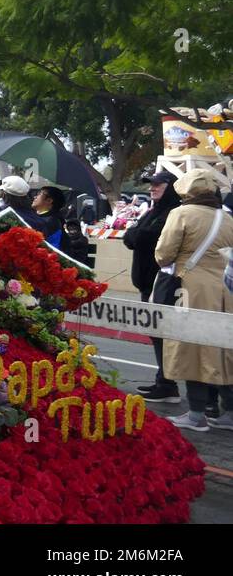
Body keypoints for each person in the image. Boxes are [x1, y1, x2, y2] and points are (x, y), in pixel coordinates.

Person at [153, 169, 233, 431]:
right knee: (223, 350)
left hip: (190, 289)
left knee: (191, 349)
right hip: (225, 291)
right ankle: (228, 411)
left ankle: (196, 414)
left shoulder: (181, 214)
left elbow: (164, 255)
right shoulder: (227, 218)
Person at [125, 171, 184, 403]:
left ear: (170, 187)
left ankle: (168, 383)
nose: (153, 188)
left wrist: (135, 234)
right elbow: (132, 236)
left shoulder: (173, 212)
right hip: (148, 282)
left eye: (158, 185)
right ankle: (164, 380)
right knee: (156, 334)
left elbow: (143, 237)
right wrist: (135, 233)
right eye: (152, 185)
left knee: (163, 334)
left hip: (162, 283)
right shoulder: (153, 211)